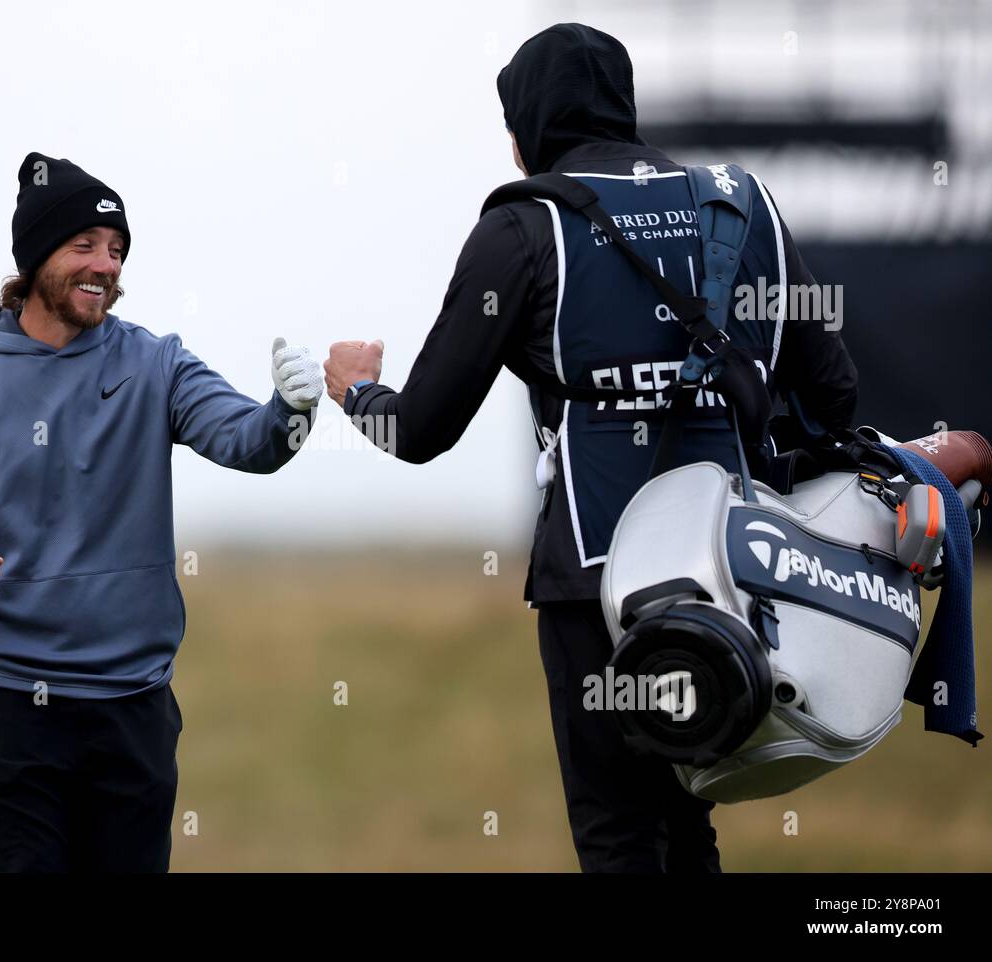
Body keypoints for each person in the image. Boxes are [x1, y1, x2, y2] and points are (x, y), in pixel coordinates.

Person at [323, 24, 857, 872]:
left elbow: (419, 431)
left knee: (617, 836)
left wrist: (356, 393)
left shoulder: (523, 224)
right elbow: (833, 399)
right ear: (623, 104)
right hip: (736, 573)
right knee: (690, 826)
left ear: (527, 125)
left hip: (598, 578)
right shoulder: (744, 203)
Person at [0, 152, 323, 872]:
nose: (105, 264)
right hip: (8, 705)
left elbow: (249, 442)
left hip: (132, 707)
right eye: (84, 245)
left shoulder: (157, 364)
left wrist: (291, 411)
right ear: (35, 259)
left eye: (116, 250)